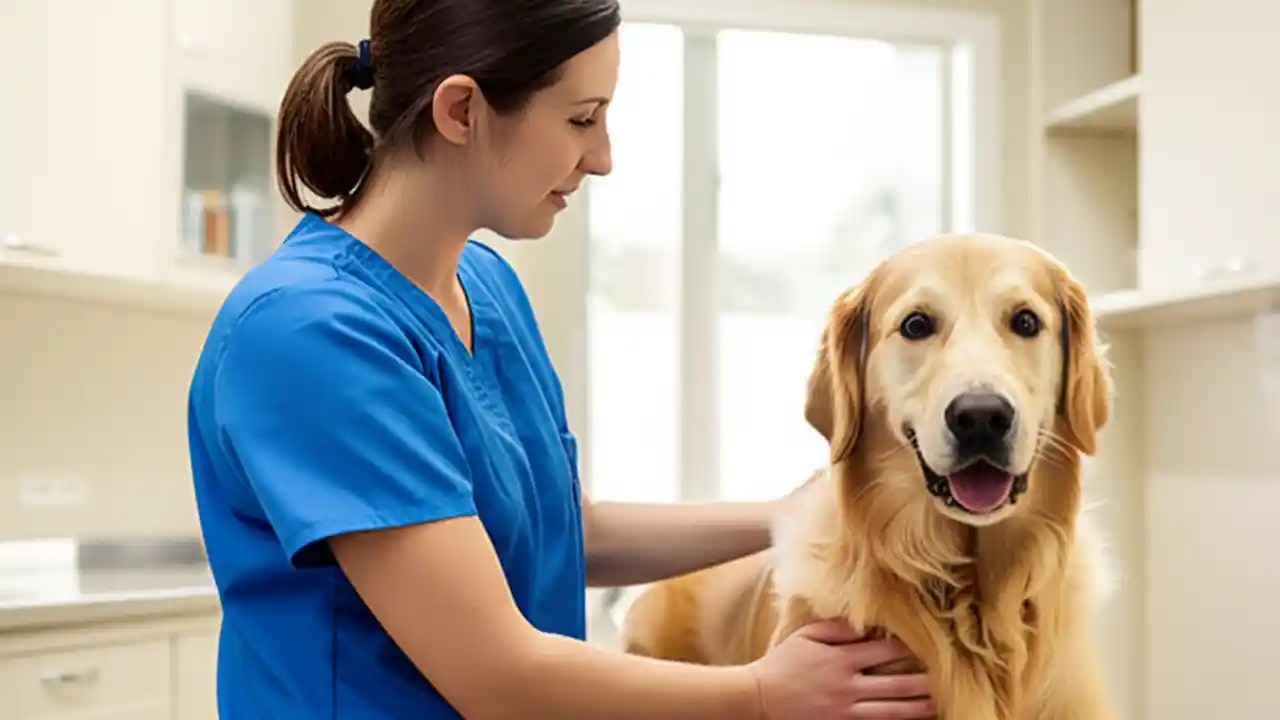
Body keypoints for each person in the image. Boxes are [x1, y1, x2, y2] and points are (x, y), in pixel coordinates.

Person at [186, 1, 937, 718]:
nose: (603, 158)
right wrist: (765, 695)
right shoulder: (308, 333)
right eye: (583, 119)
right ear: (461, 111)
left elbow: (575, 535)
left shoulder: (485, 288)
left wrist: (796, 514)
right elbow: (497, 676)